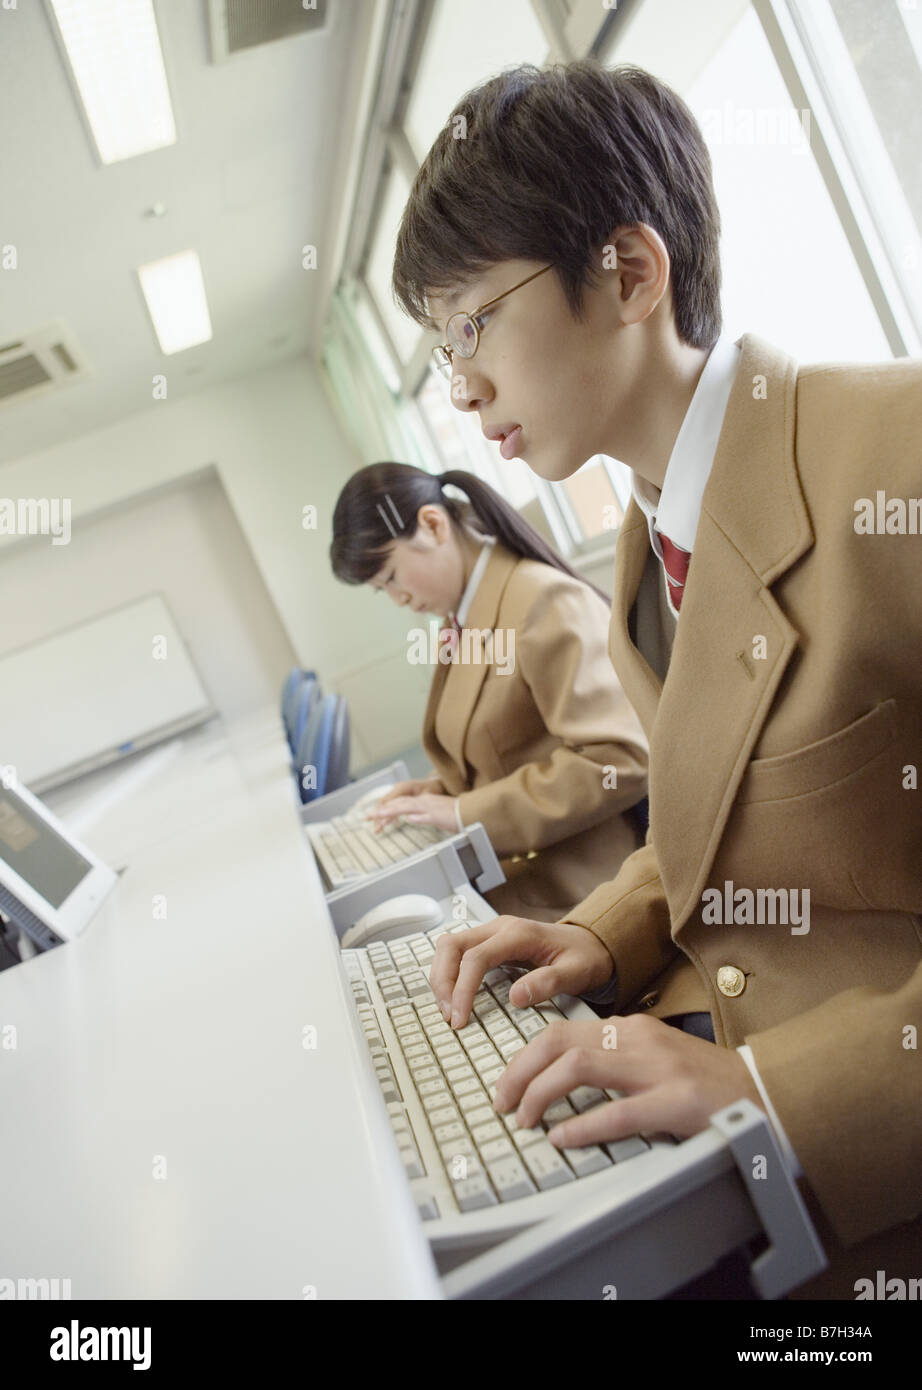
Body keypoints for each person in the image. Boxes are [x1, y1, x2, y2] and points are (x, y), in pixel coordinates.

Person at [390, 59, 921, 1298]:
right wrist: (599, 933)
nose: (460, 385)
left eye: (475, 322)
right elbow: (718, 819)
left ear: (630, 273)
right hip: (716, 1064)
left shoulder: (890, 459)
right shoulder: (648, 533)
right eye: (439, 344)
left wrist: (772, 1096)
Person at [329, 461, 649, 922]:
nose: (398, 600)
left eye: (392, 577)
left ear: (433, 525)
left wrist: (462, 811)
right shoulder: (466, 612)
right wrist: (439, 792)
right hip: (517, 865)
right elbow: (515, 747)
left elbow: (619, 761)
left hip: (578, 883)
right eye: (383, 591)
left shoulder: (542, 602)